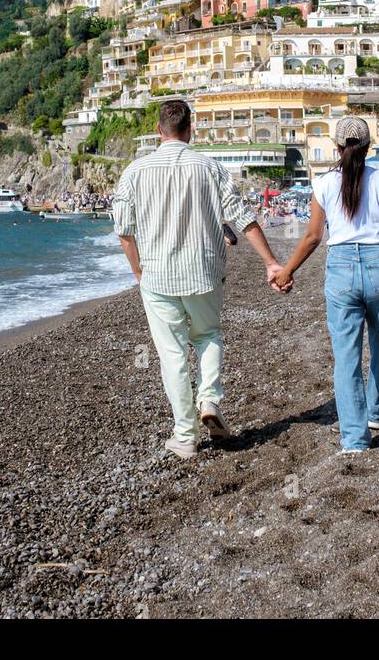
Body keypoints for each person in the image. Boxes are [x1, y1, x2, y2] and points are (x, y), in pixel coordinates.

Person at [112, 99, 285, 460]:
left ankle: (185, 435)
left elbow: (124, 232)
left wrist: (139, 273)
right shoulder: (211, 168)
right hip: (204, 271)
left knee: (172, 353)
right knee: (207, 336)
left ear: (159, 131)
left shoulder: (135, 171)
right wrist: (270, 262)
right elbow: (242, 217)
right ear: (190, 130)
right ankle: (209, 399)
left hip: (158, 275)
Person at [271, 117, 379, 453]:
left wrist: (287, 271)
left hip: (341, 269)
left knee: (346, 357)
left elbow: (312, 237)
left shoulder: (322, 184)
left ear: (337, 148)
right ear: (368, 147)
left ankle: (354, 439)